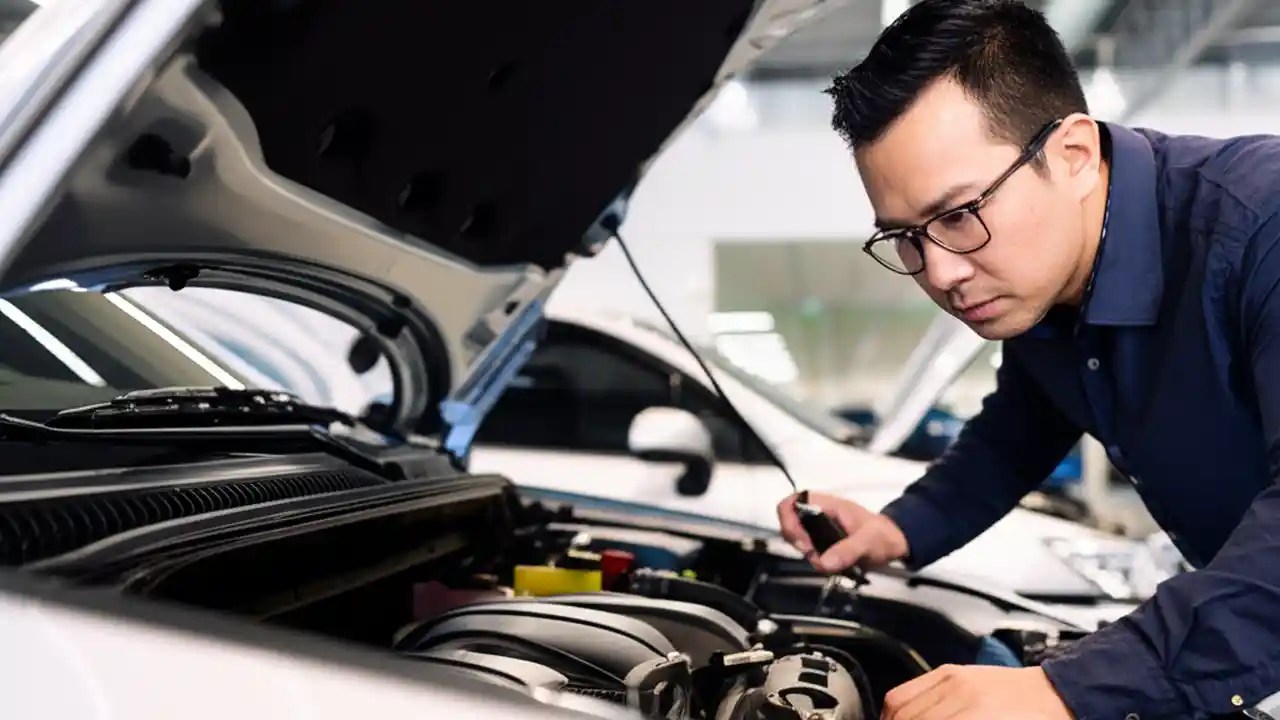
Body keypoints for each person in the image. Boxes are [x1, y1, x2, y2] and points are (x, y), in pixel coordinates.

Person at [775, 0, 1280, 718]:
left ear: (1072, 155)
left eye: (958, 215)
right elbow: (1020, 428)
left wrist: (1066, 687)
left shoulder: (1263, 229)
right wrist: (895, 531)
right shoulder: (1048, 288)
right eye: (905, 237)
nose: (940, 273)